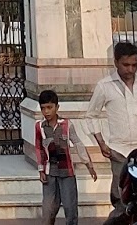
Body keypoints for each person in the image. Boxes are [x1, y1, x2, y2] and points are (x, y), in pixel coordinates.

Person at [88, 41, 137, 208]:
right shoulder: (104, 86)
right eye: (125, 65)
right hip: (119, 152)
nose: (130, 70)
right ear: (116, 62)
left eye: (134, 65)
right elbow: (91, 115)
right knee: (121, 199)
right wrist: (101, 143)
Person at [36, 89, 97, 225]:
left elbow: (78, 143)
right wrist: (41, 169)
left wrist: (89, 165)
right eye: (43, 108)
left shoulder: (67, 125)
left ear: (57, 107)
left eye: (50, 108)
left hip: (67, 172)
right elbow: (39, 148)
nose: (46, 112)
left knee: (70, 208)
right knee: (49, 208)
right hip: (49, 172)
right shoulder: (39, 126)